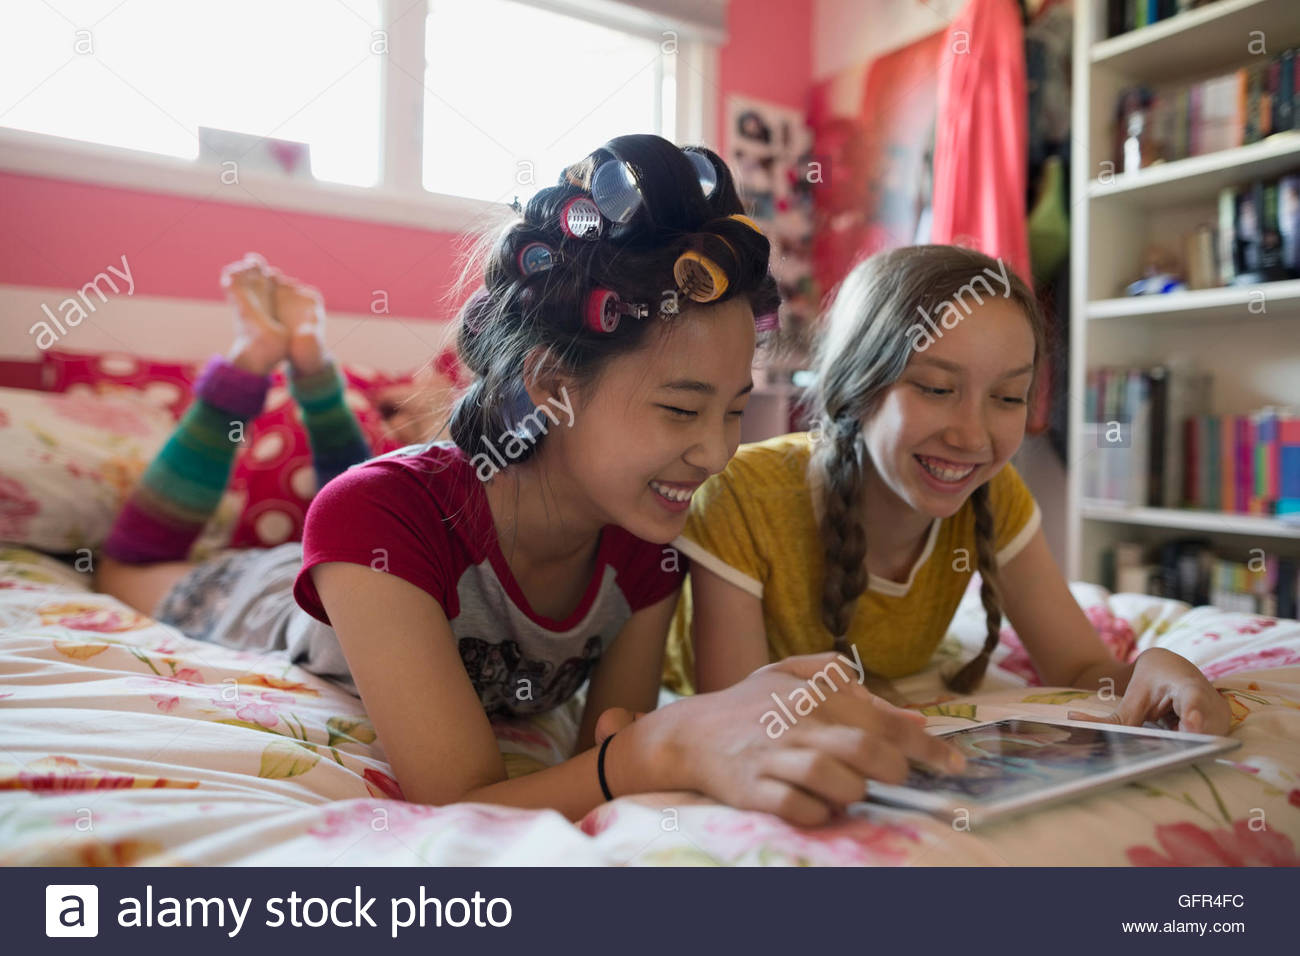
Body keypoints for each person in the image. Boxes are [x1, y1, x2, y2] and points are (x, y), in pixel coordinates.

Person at [95, 136, 966, 826]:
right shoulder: (378, 519)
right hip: (266, 593)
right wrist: (666, 749)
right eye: (679, 407)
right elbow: (463, 794)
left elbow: (604, 747)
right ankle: (263, 359)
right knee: (138, 559)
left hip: (387, 534)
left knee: (358, 484)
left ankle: (315, 362)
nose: (715, 454)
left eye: (734, 410)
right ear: (553, 387)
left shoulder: (648, 548)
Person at [664, 244, 1231, 737]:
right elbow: (740, 721)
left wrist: (1156, 670)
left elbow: (1081, 672)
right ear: (856, 387)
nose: (971, 435)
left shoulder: (994, 494)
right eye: (937, 388)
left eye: (1008, 398)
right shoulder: (741, 495)